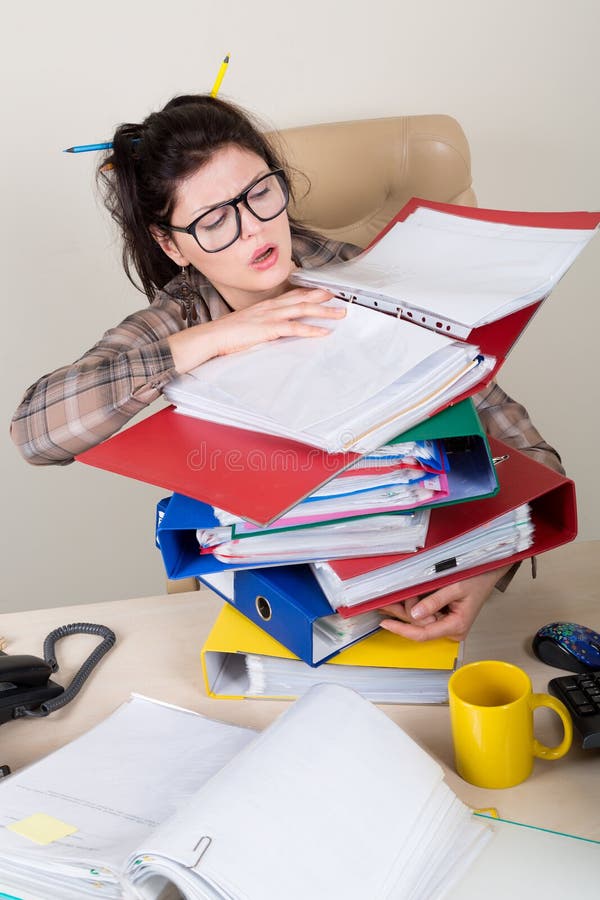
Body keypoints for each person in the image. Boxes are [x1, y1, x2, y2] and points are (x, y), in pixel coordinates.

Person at [10, 93, 564, 643]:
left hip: (409, 579)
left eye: (259, 194)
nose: (252, 228)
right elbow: (37, 433)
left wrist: (486, 566)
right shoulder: (181, 318)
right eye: (212, 221)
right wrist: (213, 338)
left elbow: (529, 453)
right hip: (275, 590)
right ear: (171, 244)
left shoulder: (373, 282)